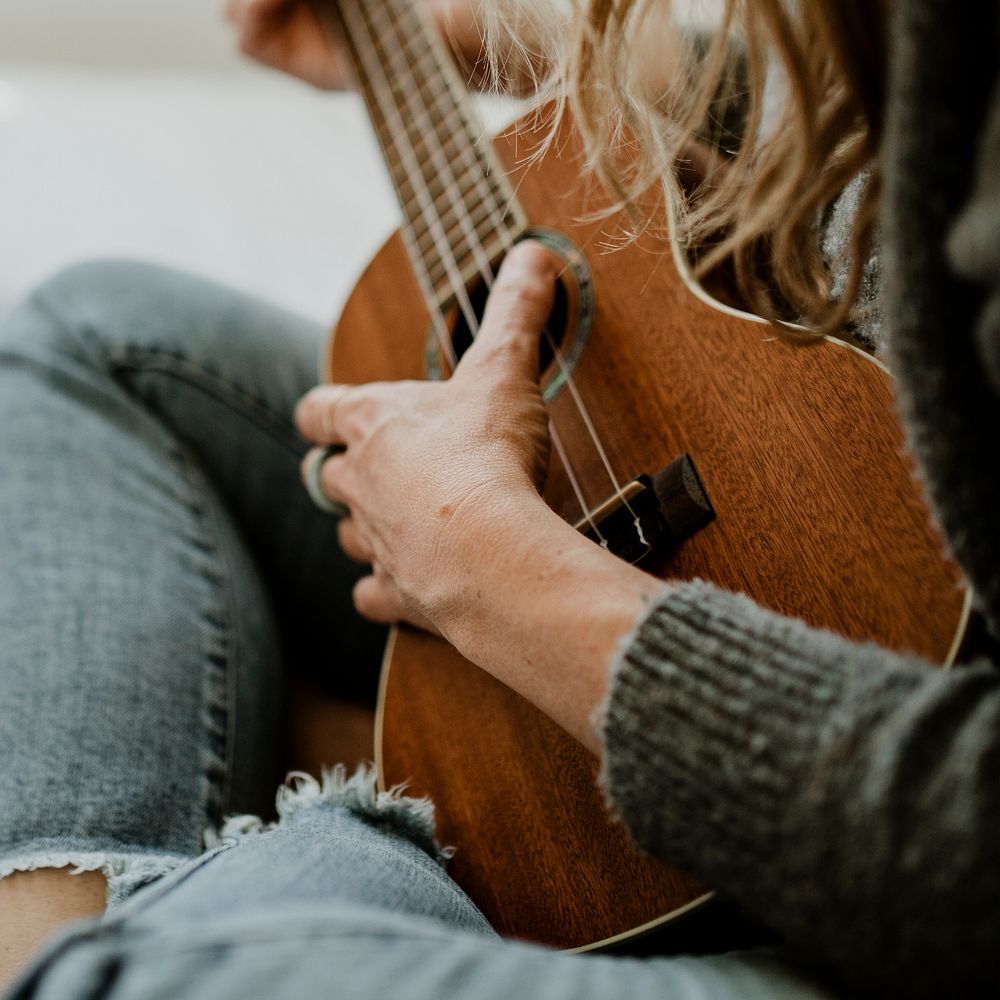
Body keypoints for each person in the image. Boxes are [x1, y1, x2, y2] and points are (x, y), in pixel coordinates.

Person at [1, 0, 998, 996]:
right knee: (100, 329)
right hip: (778, 486)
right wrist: (528, 49)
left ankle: (191, 920)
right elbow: (879, 115)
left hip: (895, 862)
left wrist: (501, 572)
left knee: (153, 974)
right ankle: (92, 930)